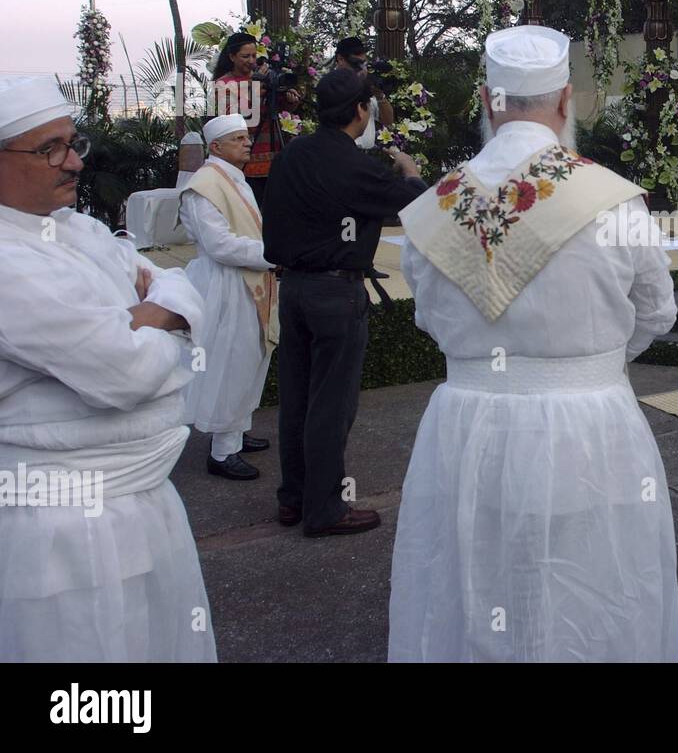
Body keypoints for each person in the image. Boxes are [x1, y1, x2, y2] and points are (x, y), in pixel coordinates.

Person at [389, 25, 678, 662]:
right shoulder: (613, 202)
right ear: (566, 99)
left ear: (489, 101)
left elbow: (431, 320)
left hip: (466, 425)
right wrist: (593, 365)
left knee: (472, 581)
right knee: (593, 590)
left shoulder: (432, 207)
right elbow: (657, 312)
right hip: (590, 427)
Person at [0, 75, 215, 661]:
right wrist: (165, 318)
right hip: (65, 527)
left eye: (73, 143)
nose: (72, 162)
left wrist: (146, 313)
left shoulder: (86, 230)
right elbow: (122, 374)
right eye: (49, 149)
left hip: (146, 502)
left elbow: (180, 285)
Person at [262, 68, 427, 537]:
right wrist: (411, 172)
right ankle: (325, 508)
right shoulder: (354, 164)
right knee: (331, 405)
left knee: (296, 399)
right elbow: (415, 204)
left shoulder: (293, 154)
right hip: (335, 294)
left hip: (292, 289)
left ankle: (293, 498)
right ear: (361, 111)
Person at [180, 114, 278, 481]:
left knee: (250, 358)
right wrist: (274, 253)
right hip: (225, 285)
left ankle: (236, 431)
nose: (247, 143)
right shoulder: (204, 185)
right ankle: (222, 452)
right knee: (230, 364)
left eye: (246, 137)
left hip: (248, 281)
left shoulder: (233, 179)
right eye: (238, 139)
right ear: (216, 146)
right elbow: (218, 245)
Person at [212, 32, 299, 205]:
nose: (251, 61)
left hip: (275, 157)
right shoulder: (224, 83)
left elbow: (280, 110)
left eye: (254, 55)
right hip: (246, 163)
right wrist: (252, 94)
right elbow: (230, 118)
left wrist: (289, 101)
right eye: (245, 56)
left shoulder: (265, 78)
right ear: (231, 56)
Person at [333, 36, 395, 134]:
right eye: (357, 64)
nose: (362, 68)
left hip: (365, 149)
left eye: (364, 64)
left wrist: (380, 96)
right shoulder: (329, 86)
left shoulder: (365, 85)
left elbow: (388, 122)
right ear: (340, 59)